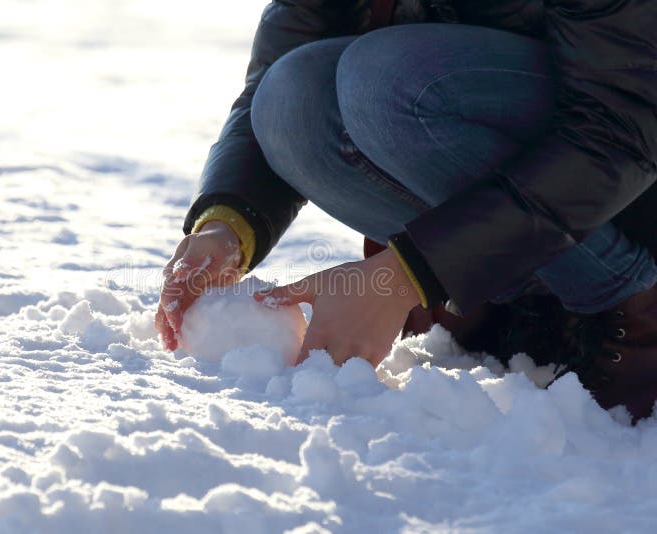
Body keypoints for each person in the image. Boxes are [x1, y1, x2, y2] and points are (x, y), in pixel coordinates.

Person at [156, 0, 657, 421]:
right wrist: (225, 225)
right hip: (491, 132)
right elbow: (272, 76)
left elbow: (620, 128)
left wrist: (408, 273)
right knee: (291, 95)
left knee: (385, 80)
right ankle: (518, 299)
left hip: (627, 170)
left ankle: (632, 305)